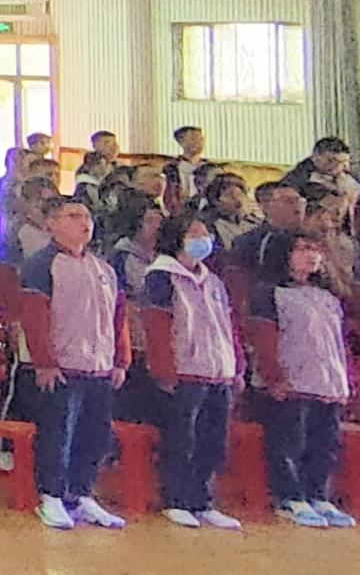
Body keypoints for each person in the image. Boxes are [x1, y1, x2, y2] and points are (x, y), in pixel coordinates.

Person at [16, 195, 129, 530]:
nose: (84, 222)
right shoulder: (41, 265)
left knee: (94, 435)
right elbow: (34, 317)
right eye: (73, 216)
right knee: (58, 435)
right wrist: (45, 362)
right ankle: (51, 496)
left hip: (99, 367)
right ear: (51, 223)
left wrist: (120, 360)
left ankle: (81, 494)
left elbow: (118, 316)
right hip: (63, 368)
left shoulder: (103, 268)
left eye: (86, 216)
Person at [138, 209, 239, 529]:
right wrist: (164, 370)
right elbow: (157, 325)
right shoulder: (161, 277)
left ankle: (202, 499)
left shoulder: (214, 281)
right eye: (194, 233)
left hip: (218, 370)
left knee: (212, 441)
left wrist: (235, 365)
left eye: (205, 233)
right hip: (184, 371)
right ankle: (176, 499)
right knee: (182, 440)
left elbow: (228, 326)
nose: (202, 239)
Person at [249, 231, 354, 527]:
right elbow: (264, 337)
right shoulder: (271, 293)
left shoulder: (327, 297)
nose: (311, 255)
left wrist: (346, 380)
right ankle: (290, 498)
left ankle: (318, 495)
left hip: (327, 383)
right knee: (289, 444)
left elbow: (339, 342)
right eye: (303, 248)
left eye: (315, 249)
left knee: (324, 446)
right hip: (291, 385)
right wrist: (274, 377)